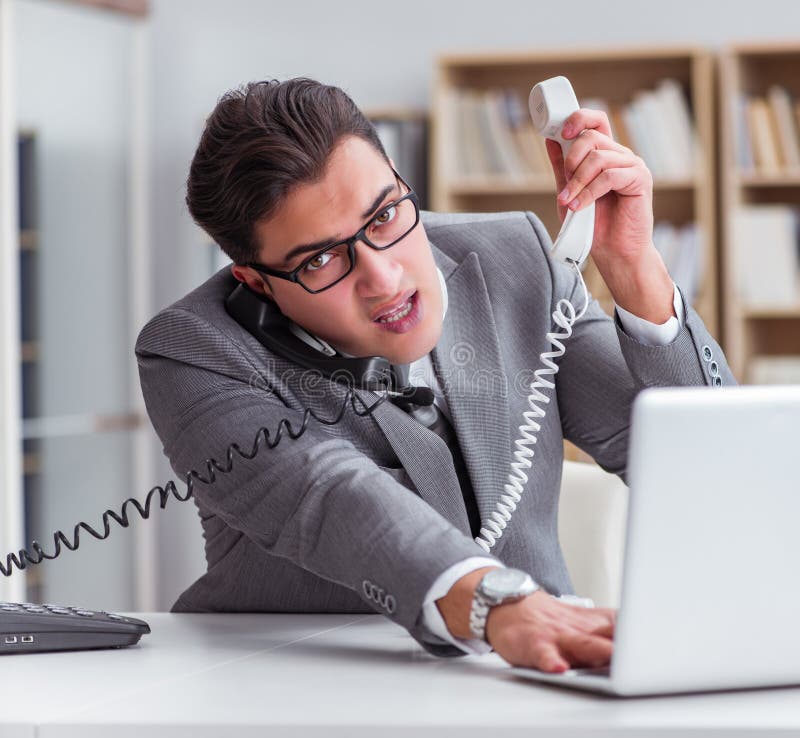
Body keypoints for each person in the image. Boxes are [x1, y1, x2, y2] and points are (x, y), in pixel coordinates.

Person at [135, 78, 734, 673]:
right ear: (257, 285)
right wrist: (498, 605)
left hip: (543, 669)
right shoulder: (194, 350)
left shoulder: (516, 260)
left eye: (384, 215)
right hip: (303, 679)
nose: (383, 279)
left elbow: (715, 466)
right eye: (320, 259)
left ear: (401, 179)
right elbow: (329, 495)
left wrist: (635, 269)